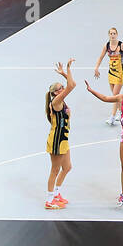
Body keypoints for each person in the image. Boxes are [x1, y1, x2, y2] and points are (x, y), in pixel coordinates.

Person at [45, 59, 77, 210]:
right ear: (56, 92)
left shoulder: (62, 101)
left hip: (63, 139)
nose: (63, 88)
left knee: (67, 167)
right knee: (55, 170)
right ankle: (49, 200)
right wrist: (68, 69)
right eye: (60, 88)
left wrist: (64, 73)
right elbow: (72, 85)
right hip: (57, 140)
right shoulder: (57, 101)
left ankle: (57, 193)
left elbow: (71, 85)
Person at [93, 28, 123, 127]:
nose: (112, 35)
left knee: (114, 95)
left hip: (120, 73)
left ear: (117, 34)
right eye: (111, 33)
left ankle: (112, 117)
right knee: (115, 96)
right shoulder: (107, 45)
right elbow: (101, 57)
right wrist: (96, 67)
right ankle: (122, 113)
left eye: (114, 33)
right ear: (109, 35)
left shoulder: (121, 45)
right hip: (111, 73)